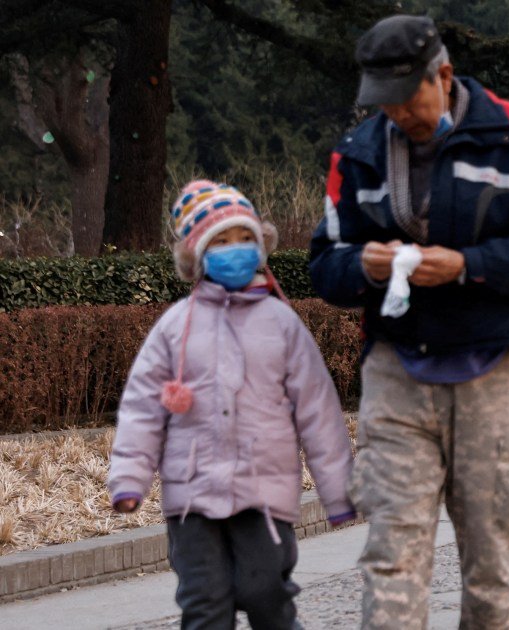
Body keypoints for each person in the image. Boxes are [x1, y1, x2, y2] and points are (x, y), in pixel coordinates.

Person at [308, 15, 509, 628]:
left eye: (408, 98)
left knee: (492, 558)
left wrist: (466, 265)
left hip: (495, 372)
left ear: (444, 75)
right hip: (396, 369)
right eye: (384, 103)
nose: (397, 113)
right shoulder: (356, 154)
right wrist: (365, 266)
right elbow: (324, 265)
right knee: (391, 556)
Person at [108, 180, 355, 629]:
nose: (235, 249)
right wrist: (129, 478)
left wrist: (337, 492)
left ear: (261, 246)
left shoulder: (282, 323)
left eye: (245, 238)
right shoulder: (174, 328)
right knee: (204, 603)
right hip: (193, 497)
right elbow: (143, 408)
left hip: (263, 495)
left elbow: (317, 411)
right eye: (220, 241)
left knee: (266, 594)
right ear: (197, 255)